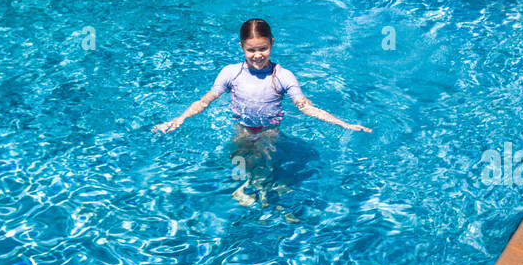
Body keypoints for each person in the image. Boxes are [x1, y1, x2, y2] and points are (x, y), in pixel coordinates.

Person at [153, 18, 370, 205]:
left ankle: (267, 190)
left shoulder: (283, 76)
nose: (258, 55)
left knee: (263, 158)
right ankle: (248, 186)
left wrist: (344, 124)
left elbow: (305, 107)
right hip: (243, 126)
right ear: (241, 47)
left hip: (269, 129)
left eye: (263, 48)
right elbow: (206, 100)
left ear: (272, 43)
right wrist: (179, 118)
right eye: (251, 50)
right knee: (238, 158)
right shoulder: (231, 73)